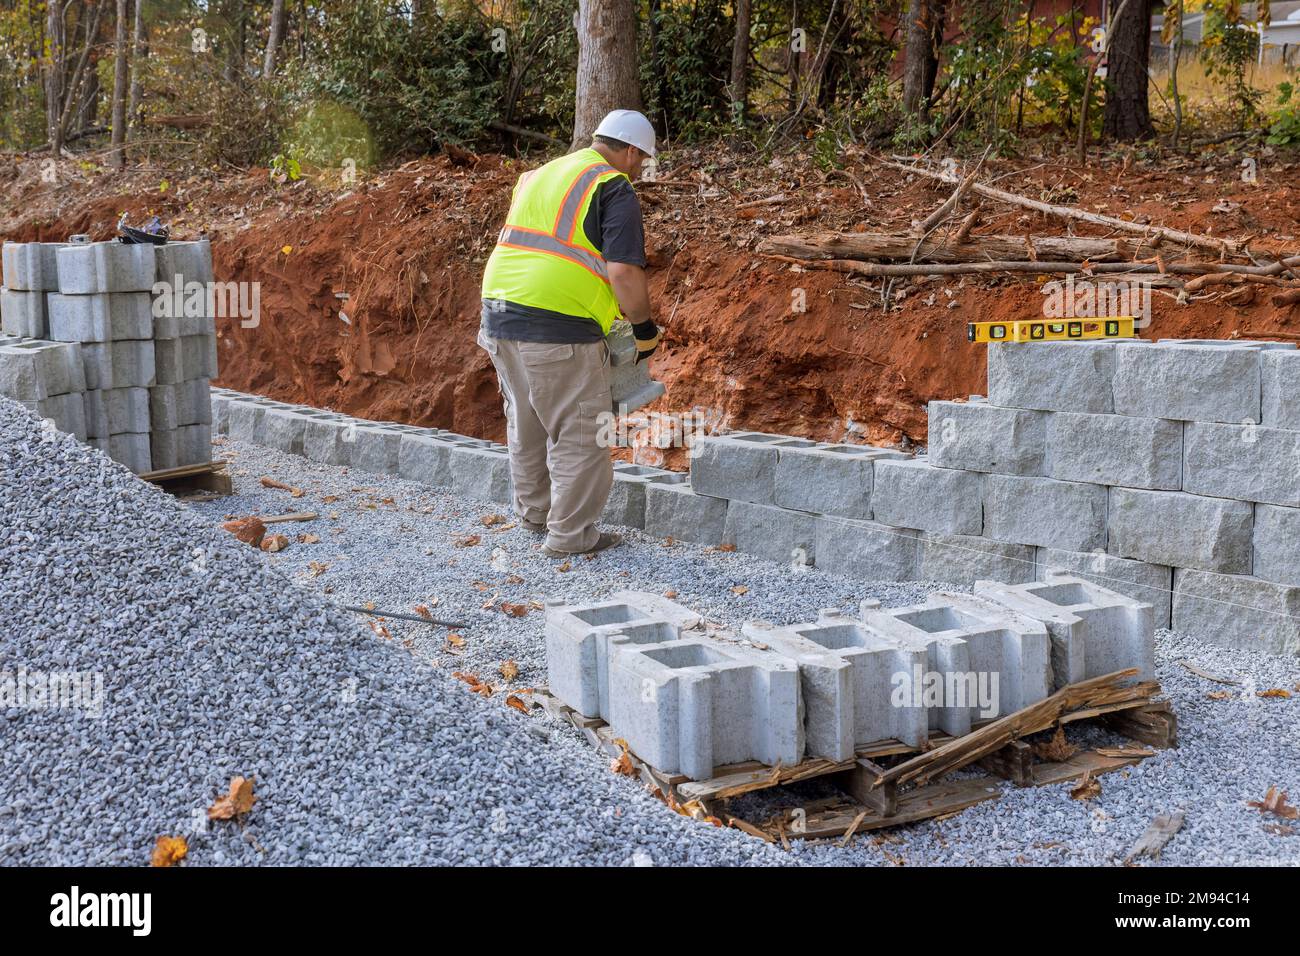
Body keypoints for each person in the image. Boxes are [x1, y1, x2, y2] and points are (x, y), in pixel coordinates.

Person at [478, 110, 661, 557]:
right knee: (582, 430)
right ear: (631, 151)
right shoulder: (612, 185)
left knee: (527, 420)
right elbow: (622, 271)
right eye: (642, 161)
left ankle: (535, 516)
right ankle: (571, 537)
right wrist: (643, 329)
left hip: (498, 314)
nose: (640, 170)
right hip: (557, 322)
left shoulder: (538, 174)